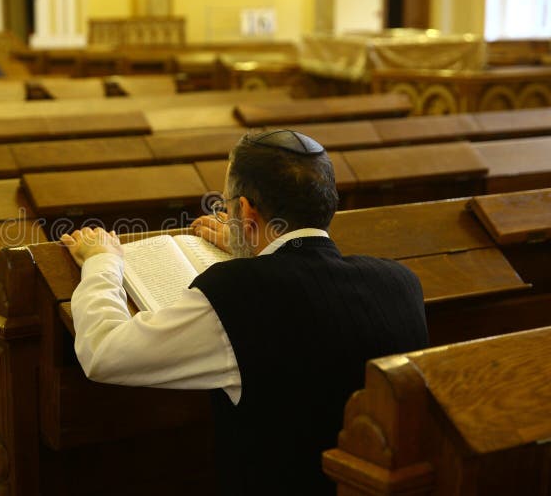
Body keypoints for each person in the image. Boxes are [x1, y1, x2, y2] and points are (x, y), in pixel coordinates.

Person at [61, 130, 429, 495]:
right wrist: (249, 244)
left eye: (227, 203)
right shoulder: (401, 284)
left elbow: (104, 352)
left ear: (247, 211)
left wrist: (103, 262)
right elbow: (317, 286)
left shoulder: (236, 293)